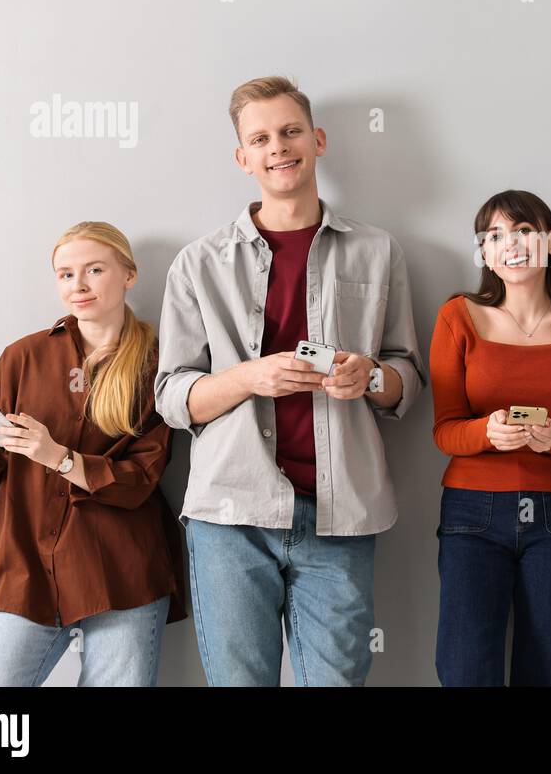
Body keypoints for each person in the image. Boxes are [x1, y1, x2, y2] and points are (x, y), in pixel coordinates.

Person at [155, 75, 426, 686]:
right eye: (261, 138)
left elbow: (407, 377)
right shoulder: (198, 263)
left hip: (342, 515)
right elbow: (172, 396)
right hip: (231, 517)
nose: (278, 147)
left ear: (318, 140)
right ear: (242, 157)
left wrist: (371, 376)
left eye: (290, 131)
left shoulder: (379, 251)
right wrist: (249, 377)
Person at [0, 221, 187, 686]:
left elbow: (142, 478)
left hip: (123, 574)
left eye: (94, 269)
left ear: (129, 274)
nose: (78, 286)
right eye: (65, 274)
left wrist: (59, 457)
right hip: (29, 568)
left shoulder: (159, 363)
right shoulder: (22, 357)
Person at [429, 191, 551, 686]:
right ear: (484, 254)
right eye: (493, 236)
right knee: (465, 669)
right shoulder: (456, 316)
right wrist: (485, 432)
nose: (509, 244)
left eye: (523, 231)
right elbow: (444, 430)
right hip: (471, 512)